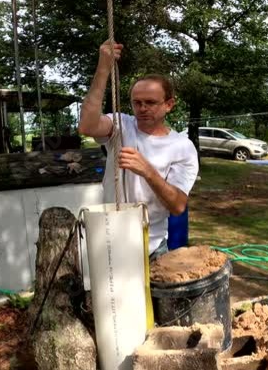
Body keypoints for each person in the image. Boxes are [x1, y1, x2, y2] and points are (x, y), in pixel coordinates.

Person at [78, 41, 199, 259]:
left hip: (152, 246)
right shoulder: (121, 125)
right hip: (109, 239)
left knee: (153, 294)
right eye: (137, 102)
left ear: (169, 104)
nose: (142, 109)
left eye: (150, 102)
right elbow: (87, 126)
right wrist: (103, 68)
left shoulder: (182, 147)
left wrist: (148, 171)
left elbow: (178, 206)